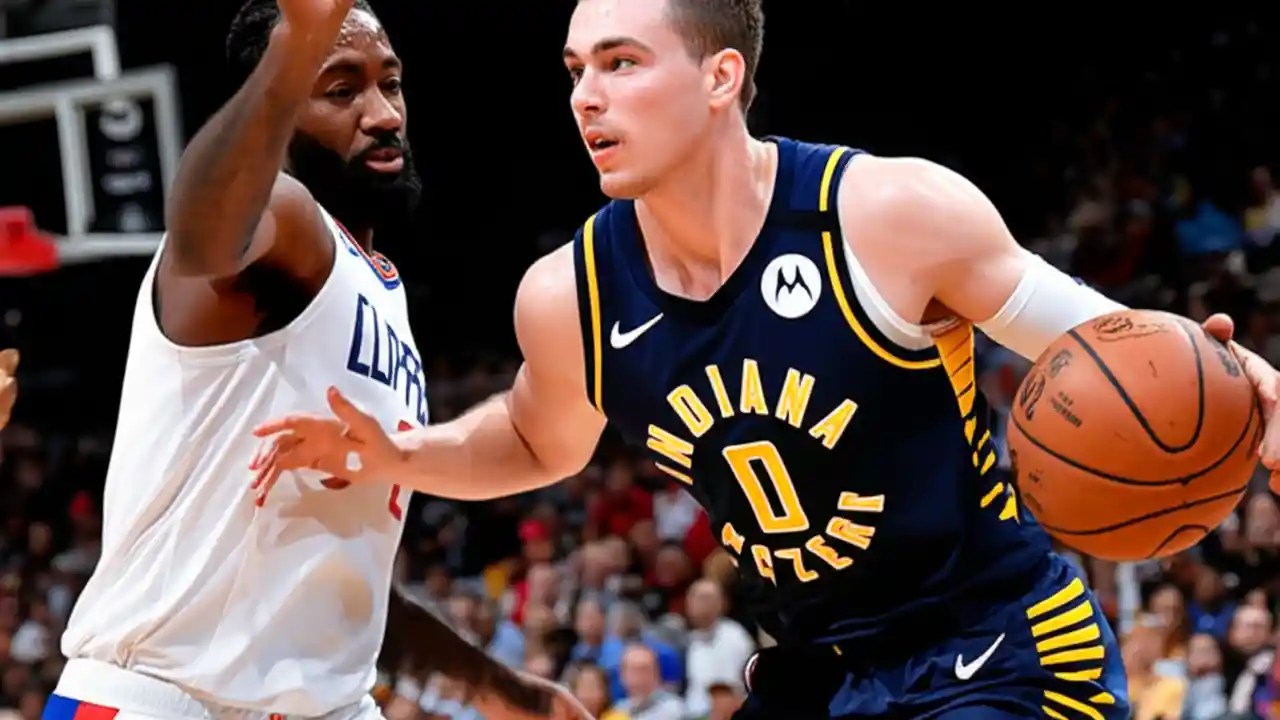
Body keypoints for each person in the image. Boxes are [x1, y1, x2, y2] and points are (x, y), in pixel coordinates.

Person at [250, 0, 1280, 717]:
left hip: (993, 643)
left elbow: (1105, 346)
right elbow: (532, 437)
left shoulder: (886, 214)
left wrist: (1244, 384)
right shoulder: (569, 294)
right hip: (817, 671)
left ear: (718, 76)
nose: (584, 98)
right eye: (574, 72)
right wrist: (400, 451)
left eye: (618, 62)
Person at [38, 0, 587, 718]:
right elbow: (204, 233)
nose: (384, 113)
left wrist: (507, 693)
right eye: (340, 89)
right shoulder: (282, 224)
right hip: (165, 697)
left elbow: (339, 595)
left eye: (390, 84)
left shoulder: (382, 292)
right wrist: (294, 46)